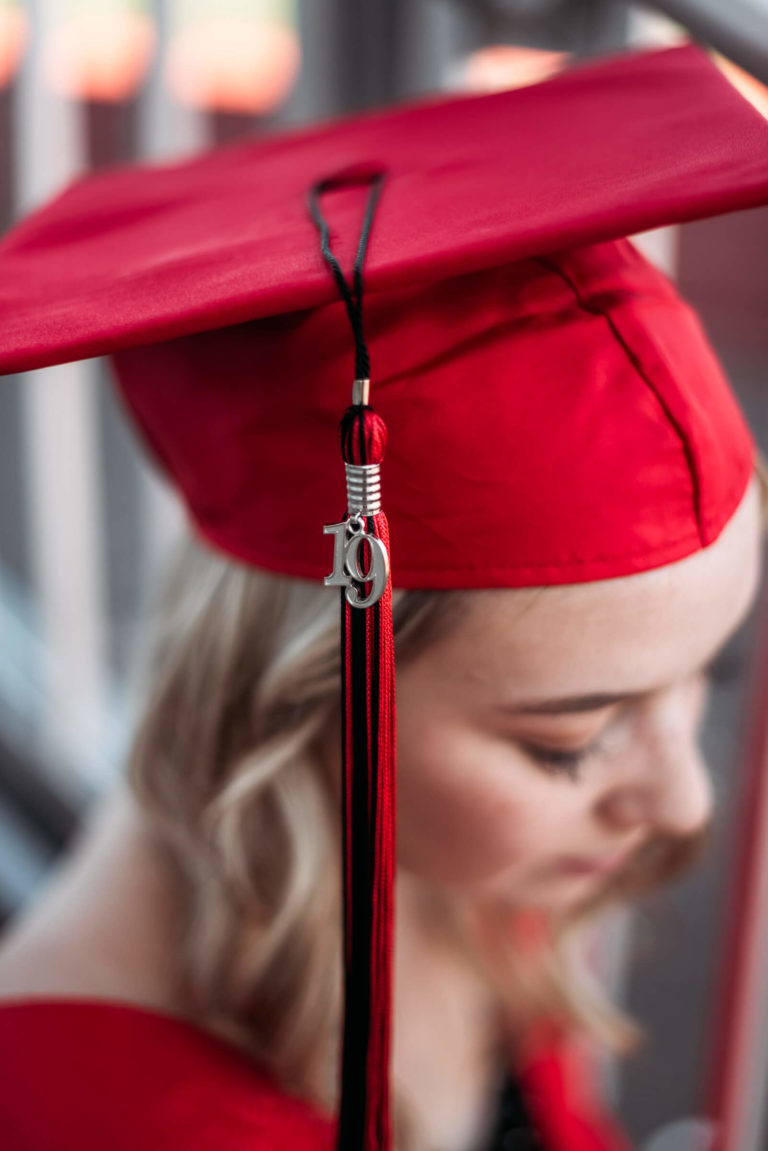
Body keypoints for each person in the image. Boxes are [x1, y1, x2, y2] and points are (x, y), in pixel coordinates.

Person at [0, 43, 766, 1151]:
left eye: (710, 675)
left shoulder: (441, 854)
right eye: (572, 742)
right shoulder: (98, 1116)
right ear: (305, 702)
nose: (685, 801)